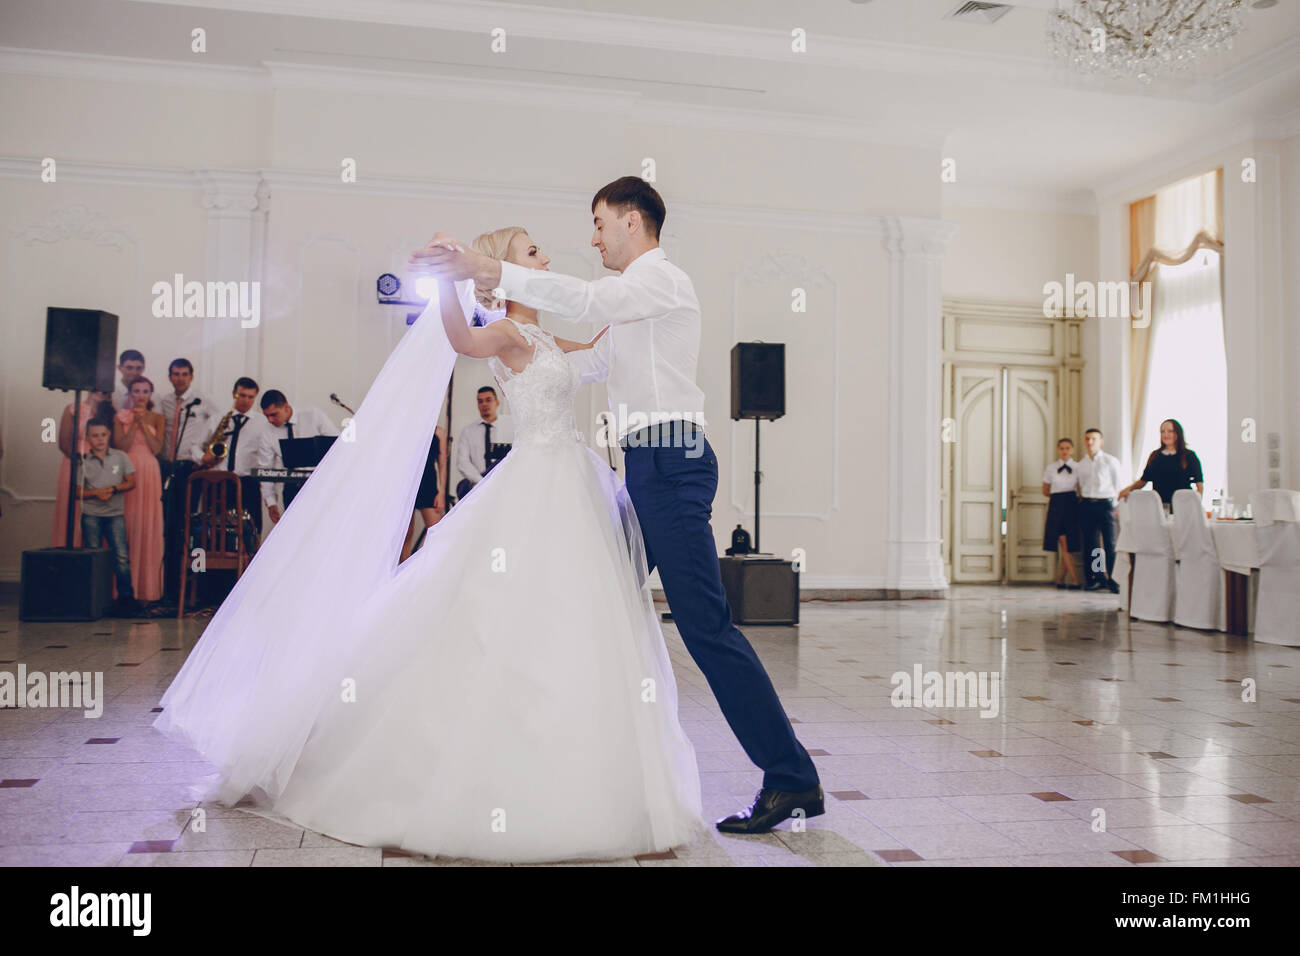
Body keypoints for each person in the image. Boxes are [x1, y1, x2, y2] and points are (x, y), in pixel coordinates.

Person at [154, 224, 703, 864]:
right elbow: (460, 338)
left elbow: (601, 335)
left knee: (573, 619)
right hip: (536, 481)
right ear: (502, 269)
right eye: (532, 253)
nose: (545, 258)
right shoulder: (503, 334)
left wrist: (649, 306)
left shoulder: (546, 336)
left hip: (571, 480)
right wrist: (450, 282)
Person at [413, 177, 823, 833]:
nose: (593, 238)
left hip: (670, 463)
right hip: (645, 469)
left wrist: (487, 268)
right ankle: (552, 761)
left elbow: (582, 297)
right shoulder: (633, 309)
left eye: (600, 224)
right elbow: (591, 358)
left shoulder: (659, 281)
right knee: (589, 609)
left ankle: (792, 778)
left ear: (633, 222)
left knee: (706, 629)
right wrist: (487, 304)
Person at [158, 359, 215, 602]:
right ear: (170, 377)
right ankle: (168, 587)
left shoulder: (204, 401)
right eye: (175, 374)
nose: (180, 378)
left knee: (187, 526)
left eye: (184, 374)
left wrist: (205, 456)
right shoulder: (164, 401)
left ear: (191, 376)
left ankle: (191, 590)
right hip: (166, 468)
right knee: (167, 528)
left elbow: (219, 427)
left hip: (189, 469)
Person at [79, 420, 139, 616]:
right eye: (94, 436)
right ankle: (96, 601)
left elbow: (131, 482)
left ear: (109, 436)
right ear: (88, 438)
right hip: (91, 515)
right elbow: (77, 491)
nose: (99, 440)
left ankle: (126, 600)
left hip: (115, 515)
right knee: (94, 558)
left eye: (103, 435)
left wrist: (113, 489)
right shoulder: (82, 461)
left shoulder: (120, 457)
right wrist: (96, 493)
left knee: (121, 557)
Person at [113, 377, 165, 604]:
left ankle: (147, 588)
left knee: (147, 525)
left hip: (150, 470)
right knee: (126, 524)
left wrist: (144, 423)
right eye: (136, 391)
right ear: (130, 393)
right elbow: (120, 446)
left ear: (150, 394)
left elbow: (156, 449)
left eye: (145, 391)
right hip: (126, 468)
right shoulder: (119, 417)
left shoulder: (159, 418)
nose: (141, 395)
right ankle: (123, 590)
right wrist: (133, 423)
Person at [254, 390, 340, 524]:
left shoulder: (313, 415)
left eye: (274, 415)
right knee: (293, 528)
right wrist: (271, 503)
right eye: (266, 416)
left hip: (319, 484)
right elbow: (265, 468)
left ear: (286, 407)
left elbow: (337, 444)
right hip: (291, 487)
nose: (270, 420)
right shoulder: (267, 430)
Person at [195, 377, 267, 534]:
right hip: (218, 482)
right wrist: (202, 458)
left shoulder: (263, 423)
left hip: (248, 483)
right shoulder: (217, 419)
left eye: (251, 397)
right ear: (234, 394)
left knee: (251, 531)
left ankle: (248, 559)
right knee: (213, 530)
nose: (246, 401)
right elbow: (195, 446)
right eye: (242, 395)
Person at [51, 390, 112, 548]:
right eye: (97, 389)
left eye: (104, 391)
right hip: (75, 463)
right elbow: (64, 442)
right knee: (73, 511)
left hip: (100, 465)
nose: (101, 393)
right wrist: (82, 464)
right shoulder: (73, 408)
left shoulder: (109, 411)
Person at [1118, 418, 1204, 512]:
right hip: (1160, 507)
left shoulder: (1189, 456)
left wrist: (1197, 505)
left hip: (1184, 507)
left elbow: (1199, 484)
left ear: (1178, 434)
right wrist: (1128, 489)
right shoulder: (1155, 456)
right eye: (1162, 431)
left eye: (1170, 431)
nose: (1165, 434)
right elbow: (1143, 480)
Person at [1075, 427, 1123, 593]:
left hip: (1106, 505)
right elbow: (1079, 486)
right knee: (1092, 545)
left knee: (1110, 543)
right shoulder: (1080, 465)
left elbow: (1118, 485)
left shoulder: (1111, 461)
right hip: (1088, 505)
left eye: (1094, 439)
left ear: (1101, 441)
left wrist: (1115, 506)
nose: (1090, 442)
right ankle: (1097, 578)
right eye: (1087, 439)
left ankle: (1113, 580)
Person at [455, 386, 513, 501]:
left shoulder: (509, 429)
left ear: (497, 402)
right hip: (476, 488)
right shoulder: (468, 431)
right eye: (480, 401)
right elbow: (463, 462)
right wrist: (481, 482)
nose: (484, 404)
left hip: (503, 487)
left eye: (488, 400)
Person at [401, 421, 448, 561]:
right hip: (407, 485)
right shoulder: (407, 430)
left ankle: (430, 567)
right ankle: (402, 571)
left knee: (437, 531)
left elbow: (442, 464)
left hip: (428, 484)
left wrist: (442, 492)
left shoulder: (440, 432)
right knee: (406, 533)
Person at [1041, 437, 1082, 589]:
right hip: (1056, 506)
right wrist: (1058, 500)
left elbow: (1082, 488)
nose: (1064, 451)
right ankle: (1074, 581)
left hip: (1072, 506)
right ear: (1058, 450)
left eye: (1067, 448)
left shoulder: (1078, 467)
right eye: (1061, 448)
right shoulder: (1051, 467)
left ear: (1072, 450)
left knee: (1067, 544)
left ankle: (1061, 580)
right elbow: (1045, 490)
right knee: (1063, 543)